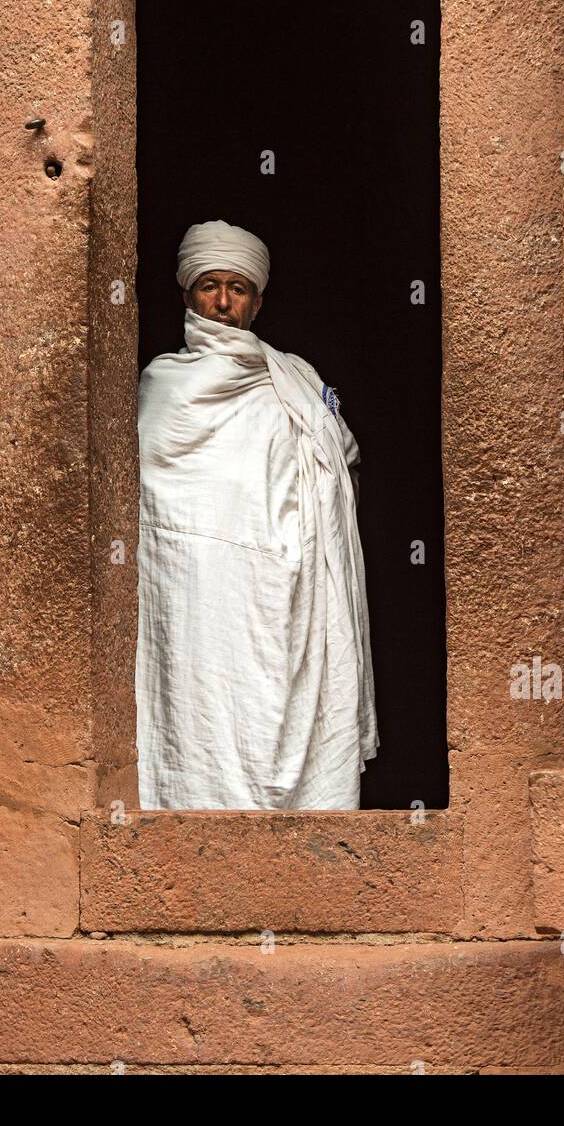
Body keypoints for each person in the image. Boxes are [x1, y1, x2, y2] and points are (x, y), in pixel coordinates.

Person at [135, 219, 378, 809]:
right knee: (199, 714)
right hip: (193, 595)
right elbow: (150, 497)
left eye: (237, 288)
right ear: (187, 293)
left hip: (289, 592)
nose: (222, 303)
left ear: (258, 301)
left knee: (280, 714)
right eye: (209, 285)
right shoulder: (161, 384)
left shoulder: (297, 379)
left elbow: (342, 451)